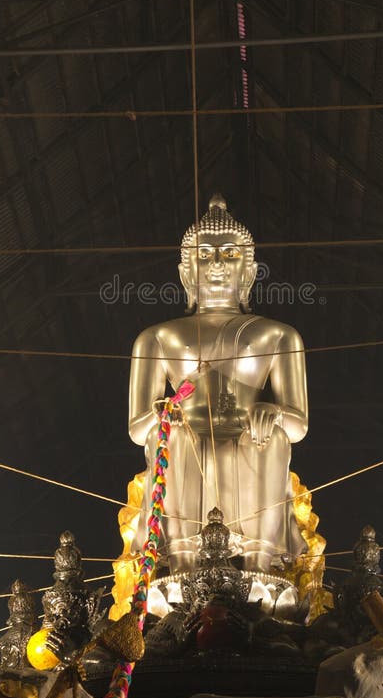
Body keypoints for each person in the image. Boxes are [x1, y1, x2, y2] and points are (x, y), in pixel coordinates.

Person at [128, 195, 308, 575]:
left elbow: (298, 425)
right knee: (171, 436)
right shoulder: (157, 338)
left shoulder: (278, 335)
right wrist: (163, 414)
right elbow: (136, 429)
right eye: (204, 254)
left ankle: (260, 567)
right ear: (185, 272)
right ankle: (181, 565)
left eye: (229, 254)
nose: (216, 265)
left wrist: (274, 412)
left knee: (273, 438)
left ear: (249, 271)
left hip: (250, 441)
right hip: (184, 442)